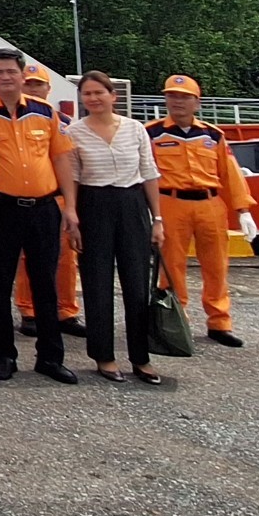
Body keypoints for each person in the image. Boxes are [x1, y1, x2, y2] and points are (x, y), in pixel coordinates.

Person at [0, 47, 81, 385]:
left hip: (44, 208)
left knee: (46, 284)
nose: (5, 77)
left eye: (10, 71)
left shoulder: (46, 112)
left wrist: (70, 207)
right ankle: (5, 355)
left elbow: (61, 159)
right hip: (1, 209)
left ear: (21, 73)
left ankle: (50, 357)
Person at [65, 69, 166, 383]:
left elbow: (149, 174)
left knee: (137, 284)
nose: (93, 98)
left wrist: (157, 219)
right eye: (87, 94)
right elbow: (72, 177)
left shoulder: (135, 129)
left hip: (132, 204)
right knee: (96, 283)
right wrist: (72, 217)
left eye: (99, 92)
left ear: (113, 96)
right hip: (93, 205)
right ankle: (104, 356)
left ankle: (141, 357)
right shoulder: (74, 132)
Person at [148, 74, 253, 348]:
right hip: (170, 203)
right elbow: (142, 174)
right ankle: (175, 321)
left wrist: (243, 209)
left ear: (197, 102)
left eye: (184, 97)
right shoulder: (152, 133)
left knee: (216, 265)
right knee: (171, 267)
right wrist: (149, 211)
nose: (177, 102)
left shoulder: (212, 135)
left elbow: (229, 174)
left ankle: (220, 322)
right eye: (172, 96)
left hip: (210, 204)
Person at [14, 65, 85, 333]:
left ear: (48, 88)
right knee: (27, 258)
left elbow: (73, 163)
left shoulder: (66, 124)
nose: (33, 89)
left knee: (66, 258)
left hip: (59, 198)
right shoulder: (14, 120)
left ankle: (66, 311)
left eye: (38, 84)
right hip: (30, 199)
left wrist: (73, 204)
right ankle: (29, 311)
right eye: (28, 84)